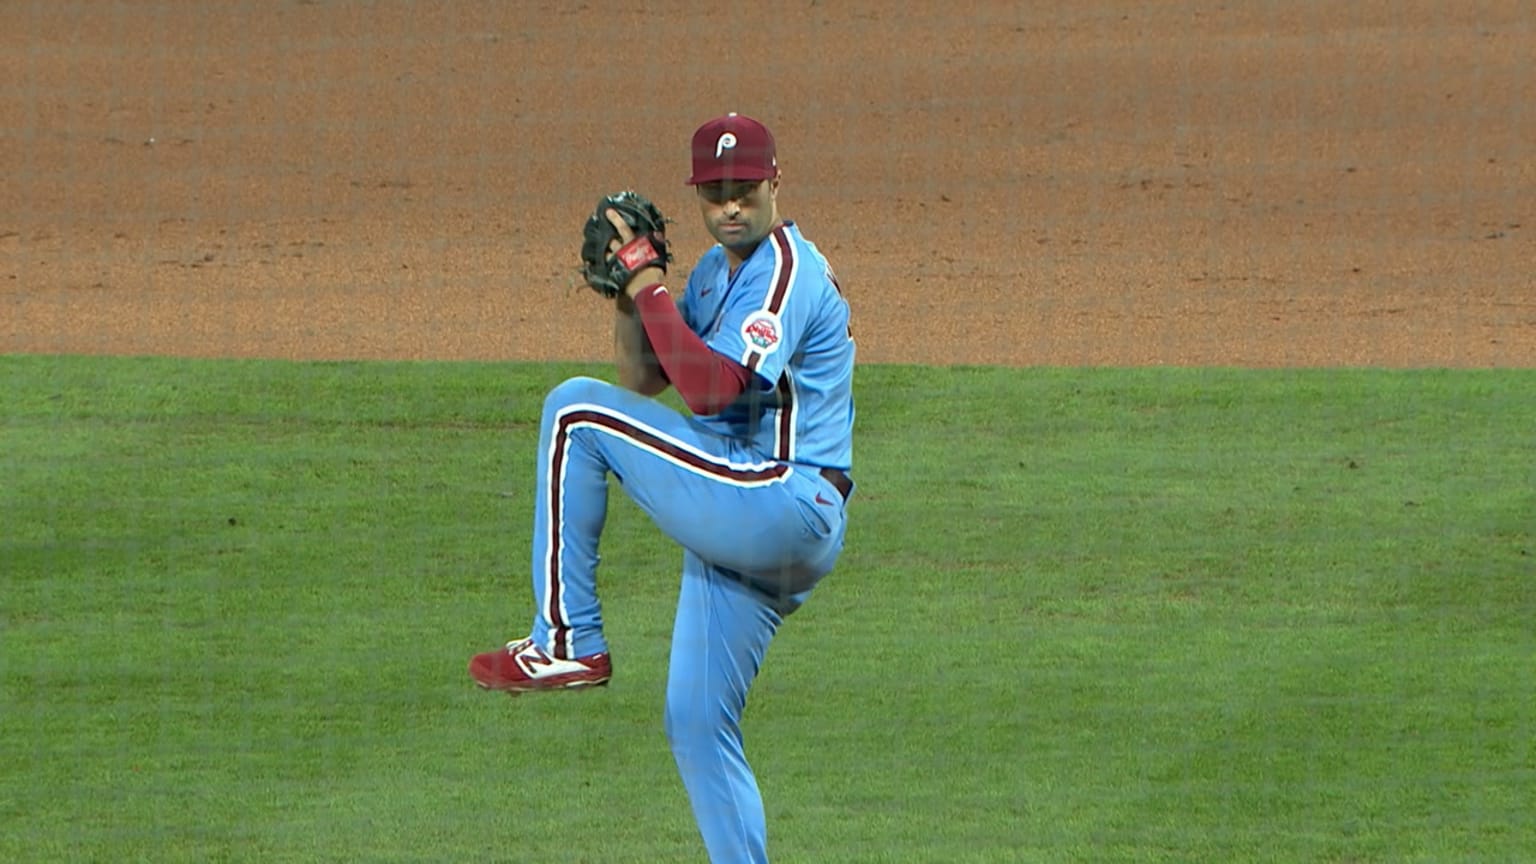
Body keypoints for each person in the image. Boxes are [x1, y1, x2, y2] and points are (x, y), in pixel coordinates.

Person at [468, 113, 856, 863]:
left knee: (574, 410)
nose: (731, 205)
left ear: (775, 183)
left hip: (780, 500)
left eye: (744, 188)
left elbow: (710, 391)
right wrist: (627, 295)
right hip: (755, 518)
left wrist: (648, 278)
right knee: (696, 721)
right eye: (715, 194)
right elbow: (648, 378)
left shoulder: (786, 269)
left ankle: (567, 640)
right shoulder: (717, 273)